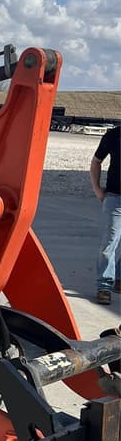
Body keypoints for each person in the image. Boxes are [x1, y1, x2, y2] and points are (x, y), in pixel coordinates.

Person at [90, 124, 121, 305]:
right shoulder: (114, 135)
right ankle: (104, 286)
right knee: (110, 242)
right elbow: (96, 161)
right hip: (115, 198)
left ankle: (119, 278)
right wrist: (97, 189)